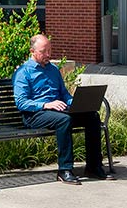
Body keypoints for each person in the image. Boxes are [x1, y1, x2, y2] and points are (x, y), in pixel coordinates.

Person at [12, 33, 80, 184]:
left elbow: (64, 94)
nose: (48, 55)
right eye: (43, 52)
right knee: (64, 120)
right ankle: (65, 170)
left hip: (56, 111)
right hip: (35, 114)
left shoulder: (53, 70)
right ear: (32, 51)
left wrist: (75, 103)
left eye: (49, 50)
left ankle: (94, 167)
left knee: (92, 116)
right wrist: (45, 105)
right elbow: (21, 103)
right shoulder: (23, 72)